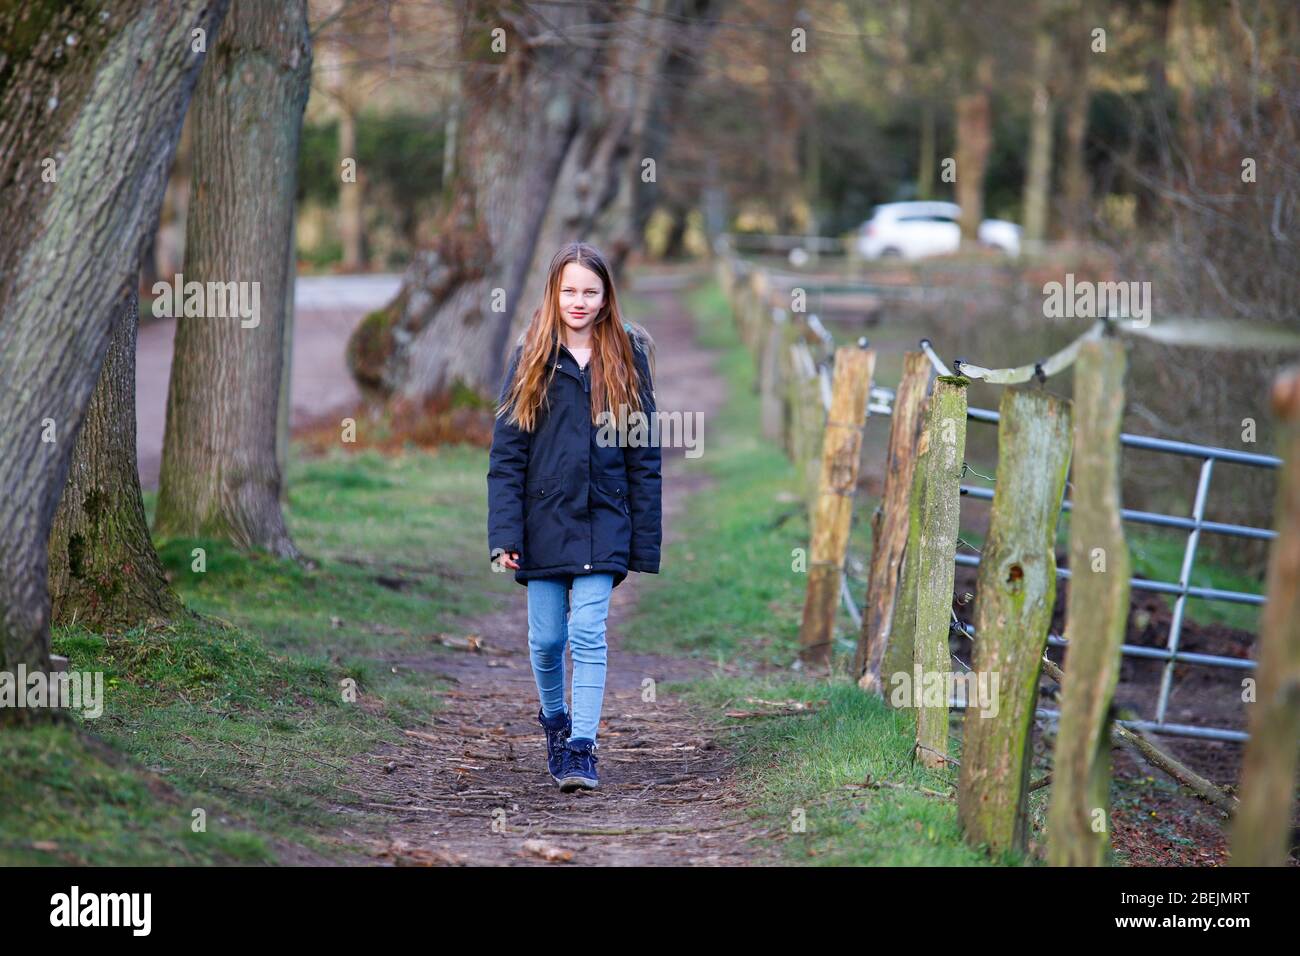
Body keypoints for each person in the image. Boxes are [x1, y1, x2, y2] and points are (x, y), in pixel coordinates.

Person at [486, 241, 662, 792]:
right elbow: (507, 457)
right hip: (541, 526)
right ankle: (555, 722)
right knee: (546, 641)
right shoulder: (530, 358)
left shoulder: (628, 359)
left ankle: (583, 748)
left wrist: (643, 542)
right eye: (570, 291)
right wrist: (504, 535)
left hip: (604, 521)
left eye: (591, 291)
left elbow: (644, 457)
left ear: (607, 295)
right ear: (553, 293)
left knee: (588, 633)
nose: (580, 301)